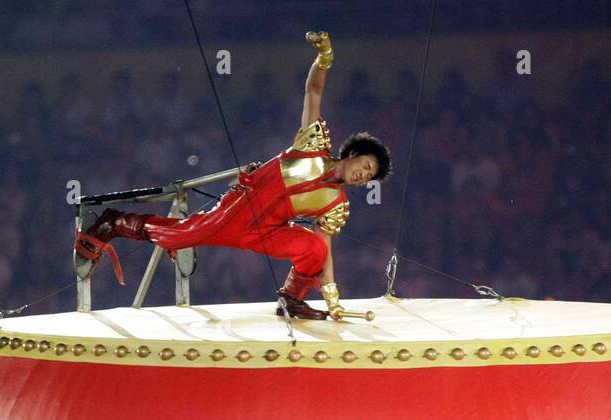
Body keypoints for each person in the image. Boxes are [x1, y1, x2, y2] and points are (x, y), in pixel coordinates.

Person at [73, 30, 391, 319]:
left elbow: (325, 249)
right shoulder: (313, 145)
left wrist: (332, 297)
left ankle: (292, 298)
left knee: (314, 248)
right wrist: (324, 59)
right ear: (352, 154)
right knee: (180, 235)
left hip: (269, 231)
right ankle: (112, 222)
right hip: (238, 210)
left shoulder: (337, 204)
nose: (364, 175)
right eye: (365, 166)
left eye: (369, 176)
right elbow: (313, 92)